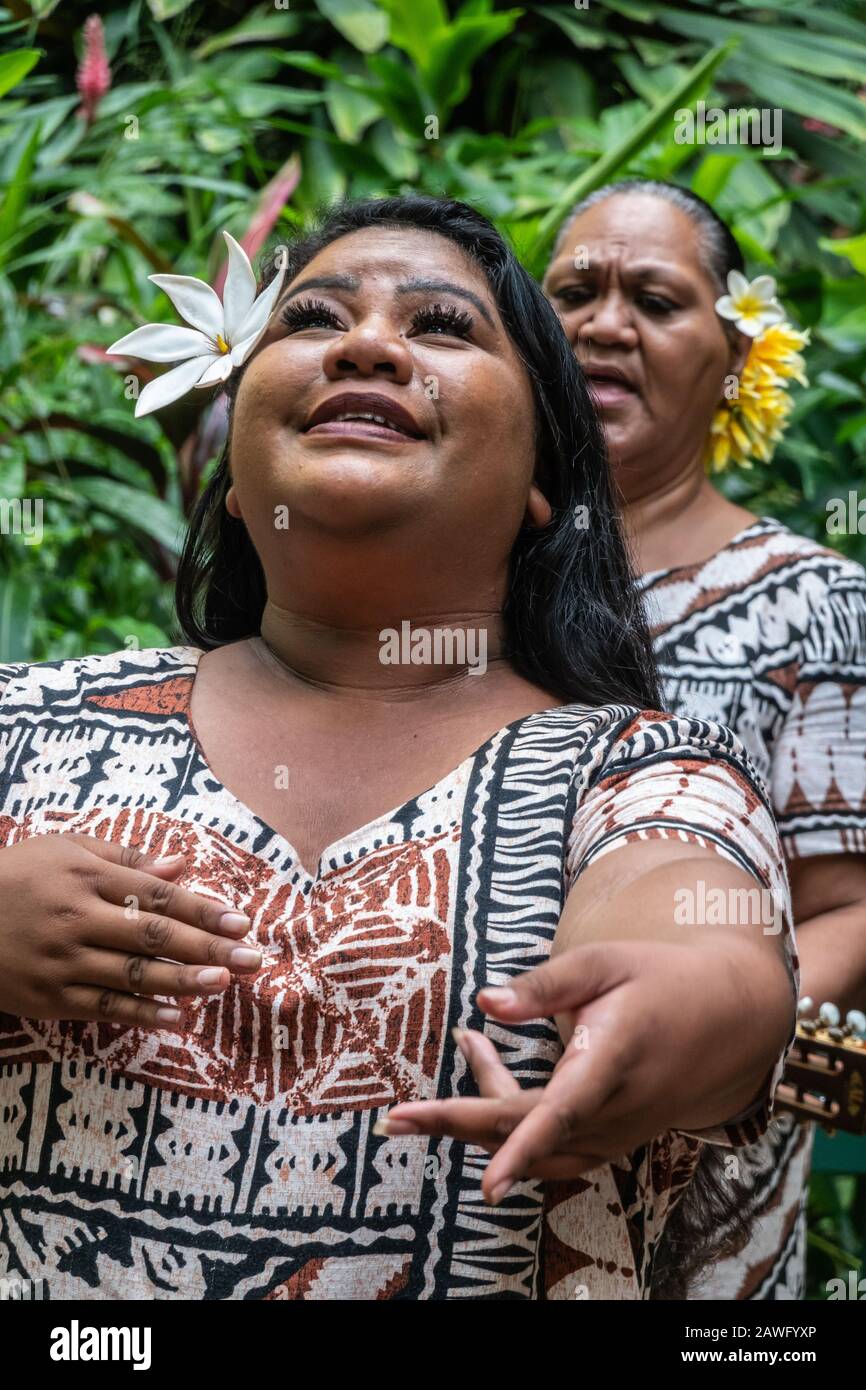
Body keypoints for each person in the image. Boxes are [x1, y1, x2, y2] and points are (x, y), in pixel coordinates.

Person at [0, 196, 796, 1300]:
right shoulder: (27, 720)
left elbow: (693, 917)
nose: (367, 343)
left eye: (443, 328)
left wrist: (667, 1008)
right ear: (235, 481)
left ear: (538, 485)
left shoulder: (636, 770)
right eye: (313, 316)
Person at [447, 178, 865, 1300]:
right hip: (440, 1151)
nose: (604, 323)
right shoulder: (454, 570)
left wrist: (664, 1036)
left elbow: (845, 908)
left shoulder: (810, 602)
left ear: (733, 354)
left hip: (692, 1162)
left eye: (655, 299)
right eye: (573, 291)